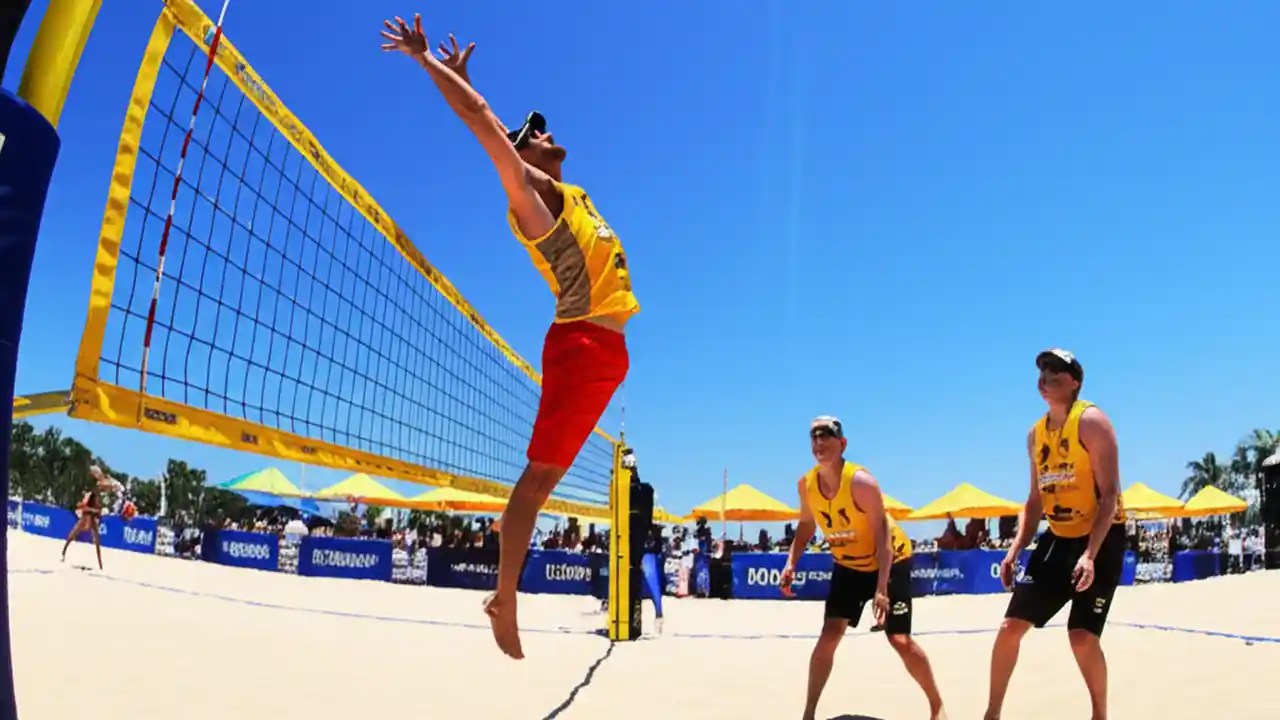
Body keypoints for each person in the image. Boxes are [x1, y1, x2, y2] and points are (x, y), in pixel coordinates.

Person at [379, 12, 639, 659]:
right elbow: (481, 124)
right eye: (532, 133)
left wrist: (466, 77)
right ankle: (504, 594)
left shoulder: (574, 193)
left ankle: (505, 592)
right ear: (518, 153)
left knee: (543, 480)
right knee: (536, 482)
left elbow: (494, 118)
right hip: (581, 345)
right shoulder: (529, 197)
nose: (546, 131)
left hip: (609, 353)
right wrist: (427, 62)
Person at [983, 349, 1126, 720]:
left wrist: (1090, 556)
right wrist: (1014, 550)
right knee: (1010, 627)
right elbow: (1034, 501)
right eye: (1043, 373)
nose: (1047, 378)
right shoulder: (1035, 435)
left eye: (1057, 373)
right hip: (1059, 535)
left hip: (1101, 535)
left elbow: (1110, 496)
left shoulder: (1092, 422)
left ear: (1075, 381)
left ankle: (1099, 714)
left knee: (1081, 636)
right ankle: (992, 713)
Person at [782, 416, 947, 720]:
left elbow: (883, 534)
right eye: (814, 437)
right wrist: (791, 562)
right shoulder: (806, 485)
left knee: (899, 639)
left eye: (826, 436)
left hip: (890, 558)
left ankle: (937, 705)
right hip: (848, 564)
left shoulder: (860, 482)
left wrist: (882, 588)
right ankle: (808, 713)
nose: (820, 443)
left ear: (842, 443)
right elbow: (806, 525)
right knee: (830, 634)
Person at [60, 465, 114, 570]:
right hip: (87, 515)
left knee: (97, 540)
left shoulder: (99, 491)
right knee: (73, 534)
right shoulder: (92, 493)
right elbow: (84, 507)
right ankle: (63, 552)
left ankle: (100, 564)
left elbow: (108, 486)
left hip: (92, 516)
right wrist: (95, 511)